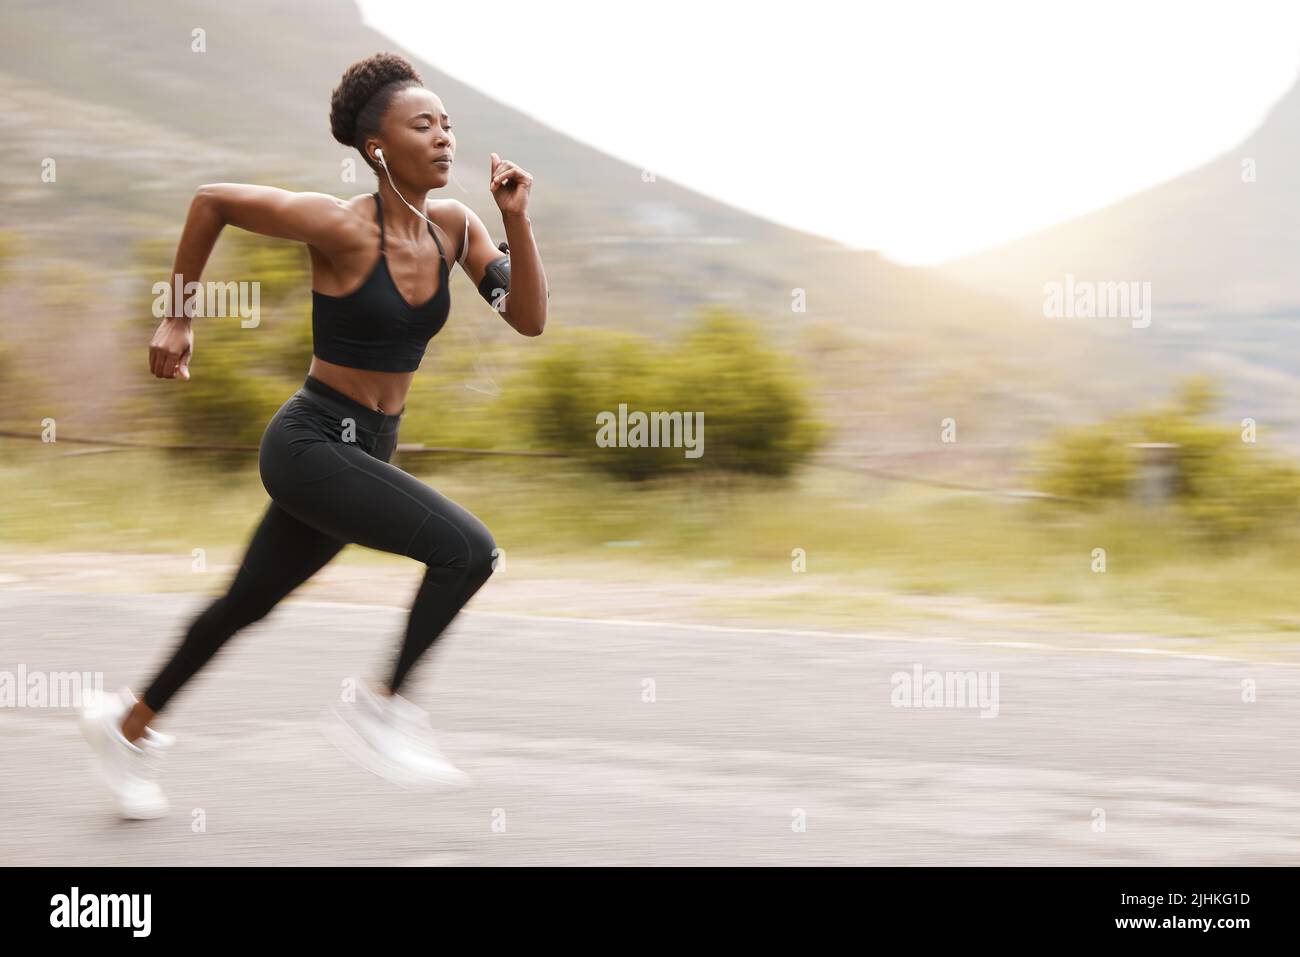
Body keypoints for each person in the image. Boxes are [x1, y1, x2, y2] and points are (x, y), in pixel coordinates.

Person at [79, 52, 548, 819]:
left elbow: (527, 316)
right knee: (468, 551)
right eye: (422, 124)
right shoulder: (338, 226)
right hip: (310, 444)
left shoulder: (455, 229)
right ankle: (382, 704)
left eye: (448, 125)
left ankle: (125, 727)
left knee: (245, 604)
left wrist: (518, 220)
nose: (443, 138)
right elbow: (212, 202)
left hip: (365, 451)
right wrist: (177, 314)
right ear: (377, 147)